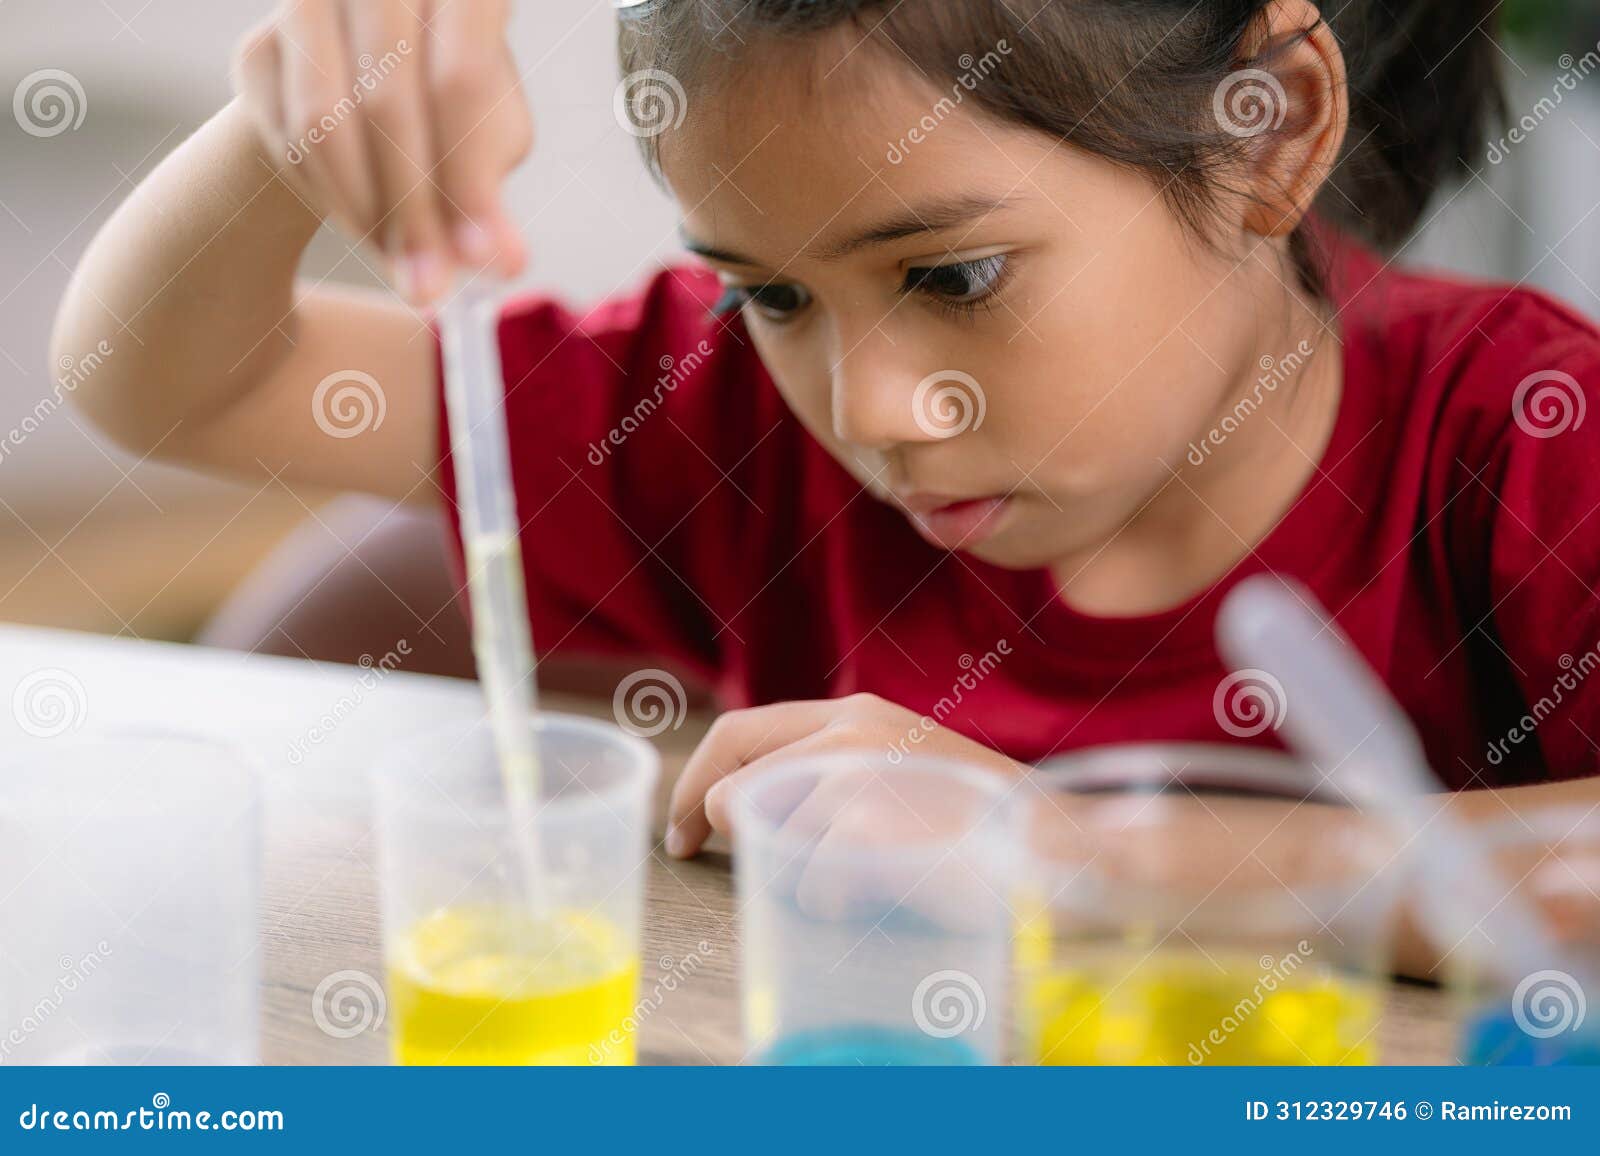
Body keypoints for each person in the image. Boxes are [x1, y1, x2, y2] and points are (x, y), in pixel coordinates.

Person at [55, 1, 1600, 974]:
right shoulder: (725, 419)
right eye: (771, 293)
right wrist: (295, 125)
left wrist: (1060, 854)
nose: (868, 409)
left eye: (955, 272)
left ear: (1275, 134)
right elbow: (163, 374)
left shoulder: (1525, 435)